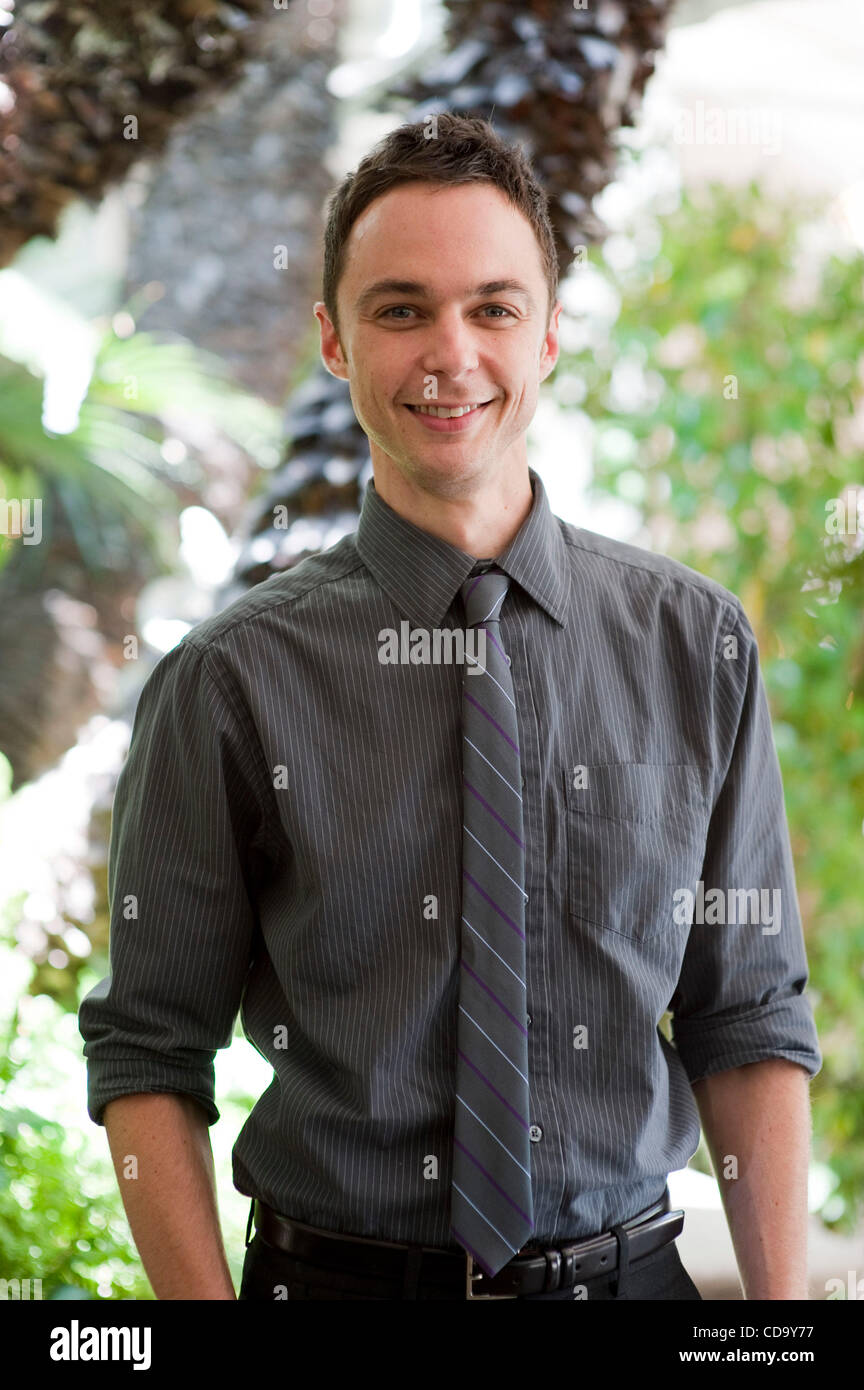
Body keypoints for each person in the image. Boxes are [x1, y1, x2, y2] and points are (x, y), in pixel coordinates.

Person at [78, 113, 821, 1302]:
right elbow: (146, 1049)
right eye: (400, 308)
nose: (450, 354)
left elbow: (747, 1016)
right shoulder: (228, 682)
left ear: (550, 334)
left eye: (493, 307)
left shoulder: (696, 647)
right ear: (331, 338)